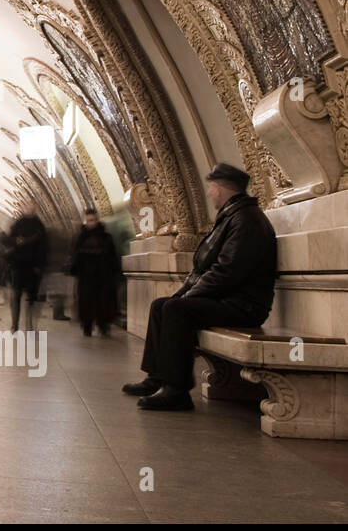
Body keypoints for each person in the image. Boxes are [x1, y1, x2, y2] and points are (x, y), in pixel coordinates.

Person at [123, 164, 276, 411]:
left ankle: (176, 390)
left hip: (243, 305)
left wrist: (189, 296)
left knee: (176, 309)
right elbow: (204, 269)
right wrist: (183, 293)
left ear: (222, 188)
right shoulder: (232, 217)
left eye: (211, 188)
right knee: (161, 305)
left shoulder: (246, 220)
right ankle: (157, 378)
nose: (209, 194)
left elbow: (227, 272)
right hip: (227, 299)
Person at [69, 208, 120, 336]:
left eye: (94, 220)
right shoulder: (80, 238)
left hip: (103, 276)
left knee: (103, 302)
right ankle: (87, 325)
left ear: (97, 220)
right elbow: (75, 256)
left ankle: (103, 325)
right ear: (86, 221)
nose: (92, 222)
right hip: (86, 277)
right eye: (89, 220)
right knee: (86, 302)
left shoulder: (106, 237)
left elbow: (112, 256)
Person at [6, 200, 48, 331]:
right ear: (22, 208)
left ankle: (29, 324)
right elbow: (7, 239)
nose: (29, 209)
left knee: (31, 298)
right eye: (27, 206)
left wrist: (40, 266)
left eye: (32, 207)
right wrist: (15, 241)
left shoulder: (40, 226)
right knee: (16, 295)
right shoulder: (18, 224)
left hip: (33, 267)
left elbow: (44, 248)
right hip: (18, 265)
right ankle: (15, 324)